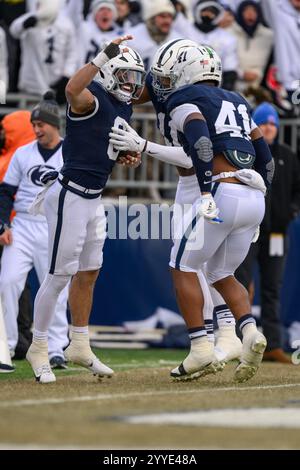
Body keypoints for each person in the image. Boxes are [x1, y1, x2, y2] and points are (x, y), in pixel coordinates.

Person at [109, 38, 243, 366]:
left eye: (167, 79)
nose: (159, 85)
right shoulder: (170, 89)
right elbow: (132, 92)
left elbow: (193, 153)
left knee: (194, 262)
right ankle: (224, 334)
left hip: (207, 183)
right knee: (203, 262)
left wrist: (141, 145)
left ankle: (214, 337)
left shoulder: (199, 102)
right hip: (191, 183)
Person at [26, 35, 146, 384]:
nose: (131, 85)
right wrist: (101, 56)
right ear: (109, 72)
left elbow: (103, 145)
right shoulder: (89, 96)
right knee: (59, 274)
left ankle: (79, 343)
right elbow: (70, 90)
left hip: (94, 198)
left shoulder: (121, 107)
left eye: (134, 78)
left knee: (90, 269)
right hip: (70, 195)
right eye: (125, 76)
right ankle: (39, 346)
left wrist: (126, 155)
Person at [164, 45, 273, 382]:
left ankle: (200, 348)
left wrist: (207, 190)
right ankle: (251, 333)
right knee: (222, 273)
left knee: (182, 265)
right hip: (254, 195)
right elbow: (265, 156)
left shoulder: (185, 100)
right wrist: (263, 189)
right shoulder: (239, 101)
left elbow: (200, 141)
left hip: (222, 190)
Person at [0, 93, 69, 369]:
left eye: (42, 124)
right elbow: (6, 192)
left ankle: (56, 349)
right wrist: (3, 223)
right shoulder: (23, 153)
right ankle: (6, 347)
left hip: (54, 226)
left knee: (55, 288)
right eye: (35, 124)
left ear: (55, 125)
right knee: (7, 282)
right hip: (24, 227)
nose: (37, 129)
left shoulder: (70, 152)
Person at [236, 102, 300, 363]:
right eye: (263, 123)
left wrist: (292, 211)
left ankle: (273, 345)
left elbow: (298, 188)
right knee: (240, 284)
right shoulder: (246, 153)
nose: (269, 128)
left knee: (273, 287)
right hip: (248, 230)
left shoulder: (288, 155)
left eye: (272, 124)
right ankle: (239, 343)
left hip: (277, 233)